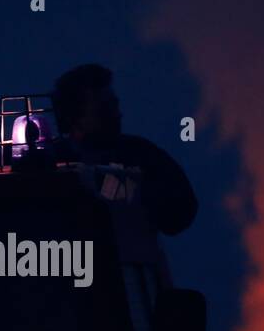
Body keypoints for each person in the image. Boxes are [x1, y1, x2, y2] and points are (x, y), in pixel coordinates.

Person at [50, 64, 198, 235]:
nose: (117, 114)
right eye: (103, 109)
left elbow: (183, 209)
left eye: (114, 105)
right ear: (74, 117)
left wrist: (137, 196)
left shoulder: (141, 154)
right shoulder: (52, 159)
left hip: (127, 260)